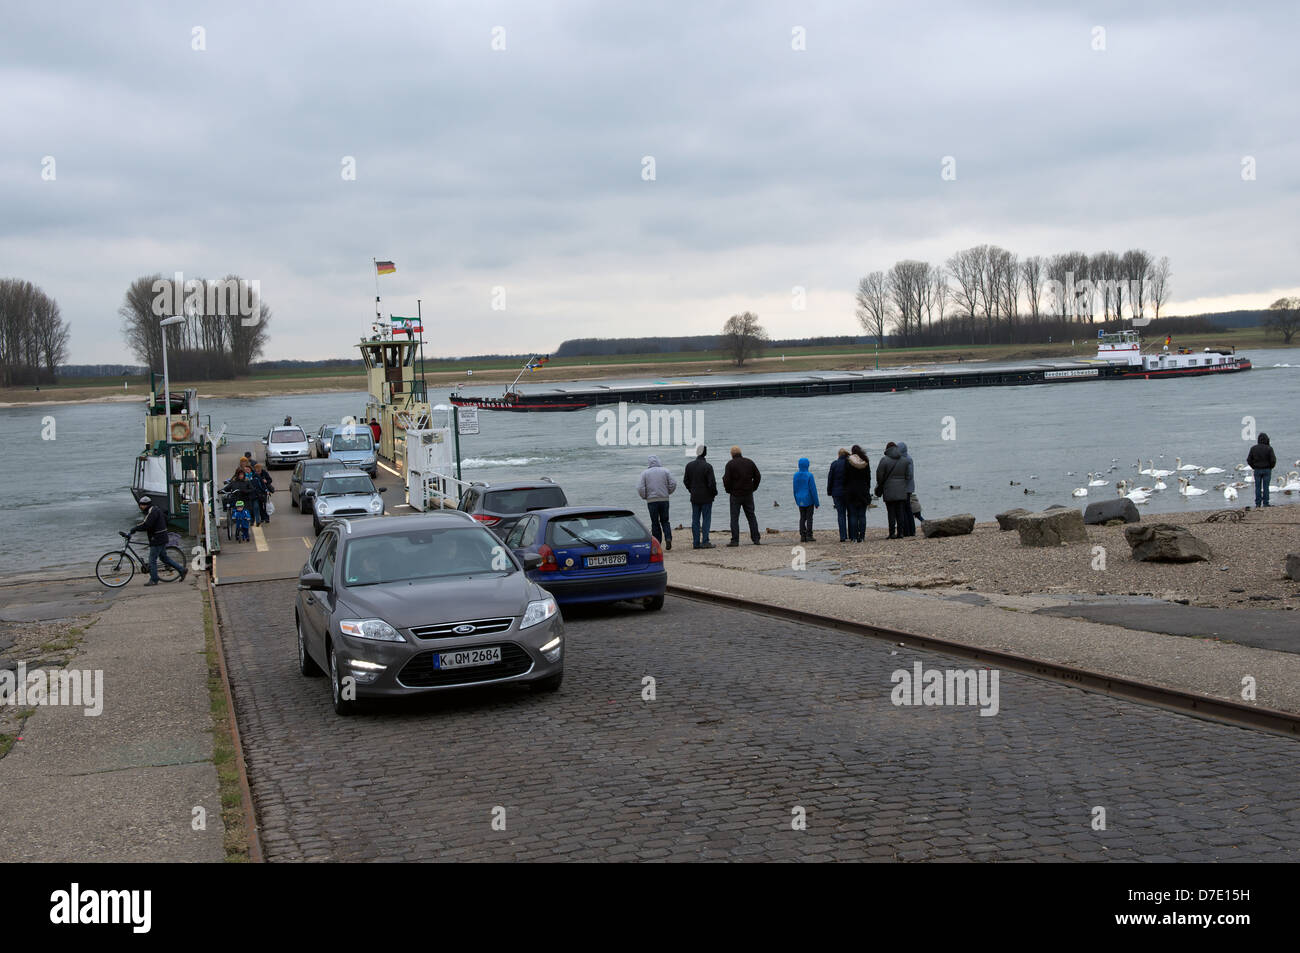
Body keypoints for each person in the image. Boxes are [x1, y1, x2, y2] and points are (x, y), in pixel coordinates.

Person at [131, 496, 186, 586]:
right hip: (162, 536)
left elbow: (147, 525)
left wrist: (135, 529)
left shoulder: (152, 512)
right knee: (164, 558)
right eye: (140, 505)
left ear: (146, 505)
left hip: (157, 538)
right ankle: (182, 570)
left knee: (152, 560)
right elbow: (164, 519)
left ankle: (154, 579)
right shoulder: (156, 509)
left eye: (142, 505)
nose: (140, 506)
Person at [636, 454, 678, 550]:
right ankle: (668, 538)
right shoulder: (665, 471)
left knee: (655, 522)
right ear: (659, 461)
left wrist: (645, 496)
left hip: (652, 501)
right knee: (665, 521)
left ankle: (658, 543)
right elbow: (673, 483)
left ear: (649, 463)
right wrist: (668, 492)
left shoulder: (645, 473)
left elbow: (640, 487)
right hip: (664, 499)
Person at [723, 446, 762, 546]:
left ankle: (735, 540)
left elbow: (726, 479)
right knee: (751, 516)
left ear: (731, 454)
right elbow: (758, 476)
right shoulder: (749, 462)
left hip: (735, 494)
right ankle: (756, 538)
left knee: (734, 518)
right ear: (740, 453)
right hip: (748, 493)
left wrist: (728, 490)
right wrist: (754, 487)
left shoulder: (730, 464)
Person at [875, 442, 913, 539]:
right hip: (901, 490)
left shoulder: (884, 460)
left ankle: (892, 533)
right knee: (900, 512)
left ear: (887, 449)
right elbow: (909, 476)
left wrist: (881, 484)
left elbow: (879, 475)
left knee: (891, 512)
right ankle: (900, 533)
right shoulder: (905, 461)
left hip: (888, 489)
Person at [683, 444, 718, 549]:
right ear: (705, 453)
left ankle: (696, 542)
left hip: (694, 496)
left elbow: (686, 481)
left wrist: (691, 490)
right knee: (706, 519)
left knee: (695, 519)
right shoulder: (708, 466)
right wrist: (714, 493)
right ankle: (705, 541)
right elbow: (711, 483)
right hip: (706, 497)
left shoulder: (689, 465)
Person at [843, 445, 871, 542]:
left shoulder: (848, 461)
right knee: (862, 515)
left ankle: (854, 537)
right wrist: (867, 489)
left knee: (853, 515)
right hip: (863, 490)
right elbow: (868, 478)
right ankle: (862, 537)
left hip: (851, 491)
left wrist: (845, 489)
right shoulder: (865, 461)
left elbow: (845, 477)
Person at [792, 457, 820, 542]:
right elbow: (813, 490)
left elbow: (794, 489)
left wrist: (796, 499)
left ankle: (802, 535)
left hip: (800, 499)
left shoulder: (795, 475)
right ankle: (809, 535)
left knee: (802, 517)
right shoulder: (809, 475)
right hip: (809, 499)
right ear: (807, 465)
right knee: (809, 518)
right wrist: (816, 502)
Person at [826, 448, 850, 542]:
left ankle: (843, 536)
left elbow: (830, 478)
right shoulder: (849, 464)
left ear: (839, 455)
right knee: (850, 514)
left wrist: (829, 491)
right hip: (848, 493)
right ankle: (852, 535)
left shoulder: (834, 464)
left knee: (841, 514)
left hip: (836, 493)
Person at [1247, 433, 1277, 508]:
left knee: (1257, 487)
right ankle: (1266, 503)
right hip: (1267, 470)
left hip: (1257, 470)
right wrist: (1271, 467)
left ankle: (1258, 504)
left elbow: (1249, 460)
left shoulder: (1253, 448)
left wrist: (1253, 467)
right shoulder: (1269, 448)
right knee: (1266, 487)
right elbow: (1273, 460)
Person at [896, 441, 918, 537]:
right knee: (907, 509)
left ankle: (909, 530)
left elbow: (909, 475)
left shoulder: (907, 459)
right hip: (907, 487)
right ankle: (910, 530)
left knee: (906, 509)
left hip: (906, 487)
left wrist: (900, 480)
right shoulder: (907, 458)